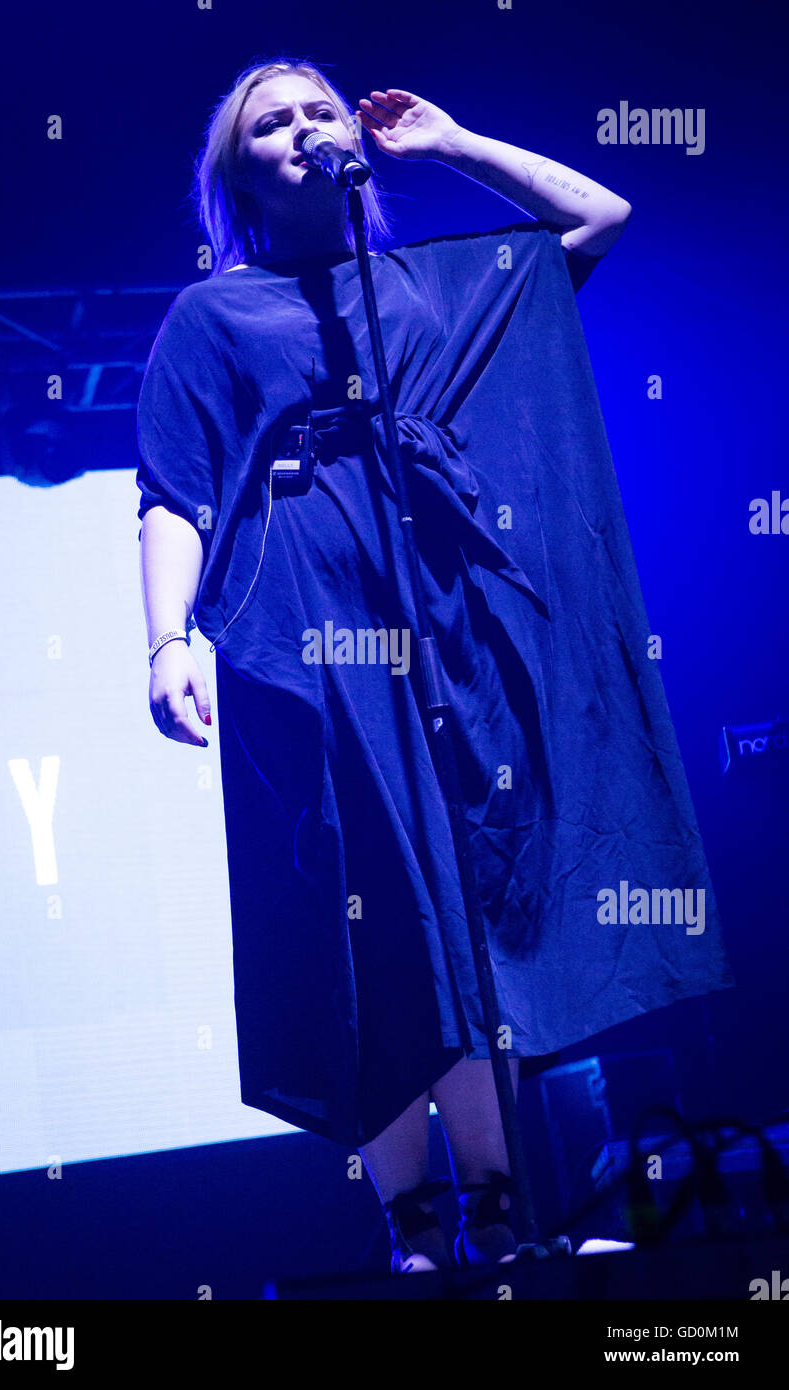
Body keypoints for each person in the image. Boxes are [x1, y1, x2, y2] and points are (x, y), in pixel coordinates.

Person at [136, 58, 734, 1274]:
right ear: (235, 170)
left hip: (445, 626)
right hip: (301, 634)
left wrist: (451, 139)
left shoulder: (431, 282)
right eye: (272, 123)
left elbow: (596, 217)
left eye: (317, 109)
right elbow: (171, 495)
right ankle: (410, 1217)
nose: (304, 129)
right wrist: (163, 641)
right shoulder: (211, 316)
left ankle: (506, 1204)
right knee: (368, 911)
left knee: (473, 908)